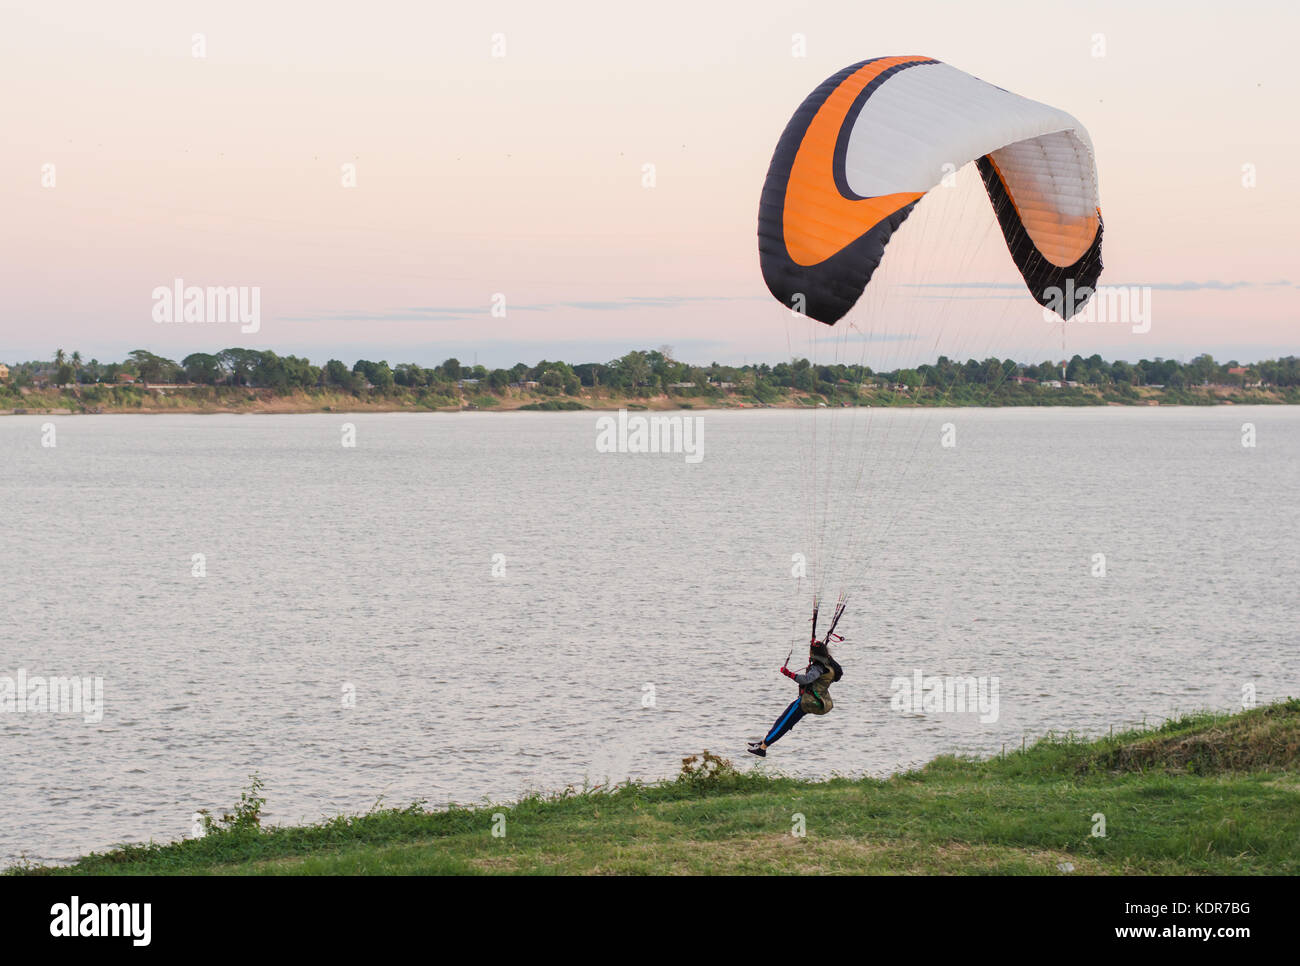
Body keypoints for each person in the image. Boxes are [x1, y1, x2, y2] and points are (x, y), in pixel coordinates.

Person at [748, 639, 842, 757]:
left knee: (783, 723)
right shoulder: (829, 662)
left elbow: (806, 679)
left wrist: (789, 674)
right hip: (815, 700)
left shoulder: (818, 667)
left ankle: (763, 748)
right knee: (782, 720)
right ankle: (763, 742)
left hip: (807, 701)